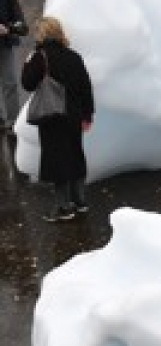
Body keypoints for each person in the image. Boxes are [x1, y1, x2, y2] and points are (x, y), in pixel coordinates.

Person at [20, 16, 93, 223]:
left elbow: (27, 84)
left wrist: (28, 63)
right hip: (74, 115)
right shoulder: (74, 57)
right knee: (76, 155)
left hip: (52, 117)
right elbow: (85, 88)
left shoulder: (39, 57)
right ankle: (80, 202)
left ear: (42, 34)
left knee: (57, 160)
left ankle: (63, 207)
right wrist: (87, 115)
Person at [0, 0, 28, 131]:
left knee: (10, 84)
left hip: (4, 46)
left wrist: (8, 29)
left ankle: (13, 122)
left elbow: (22, 26)